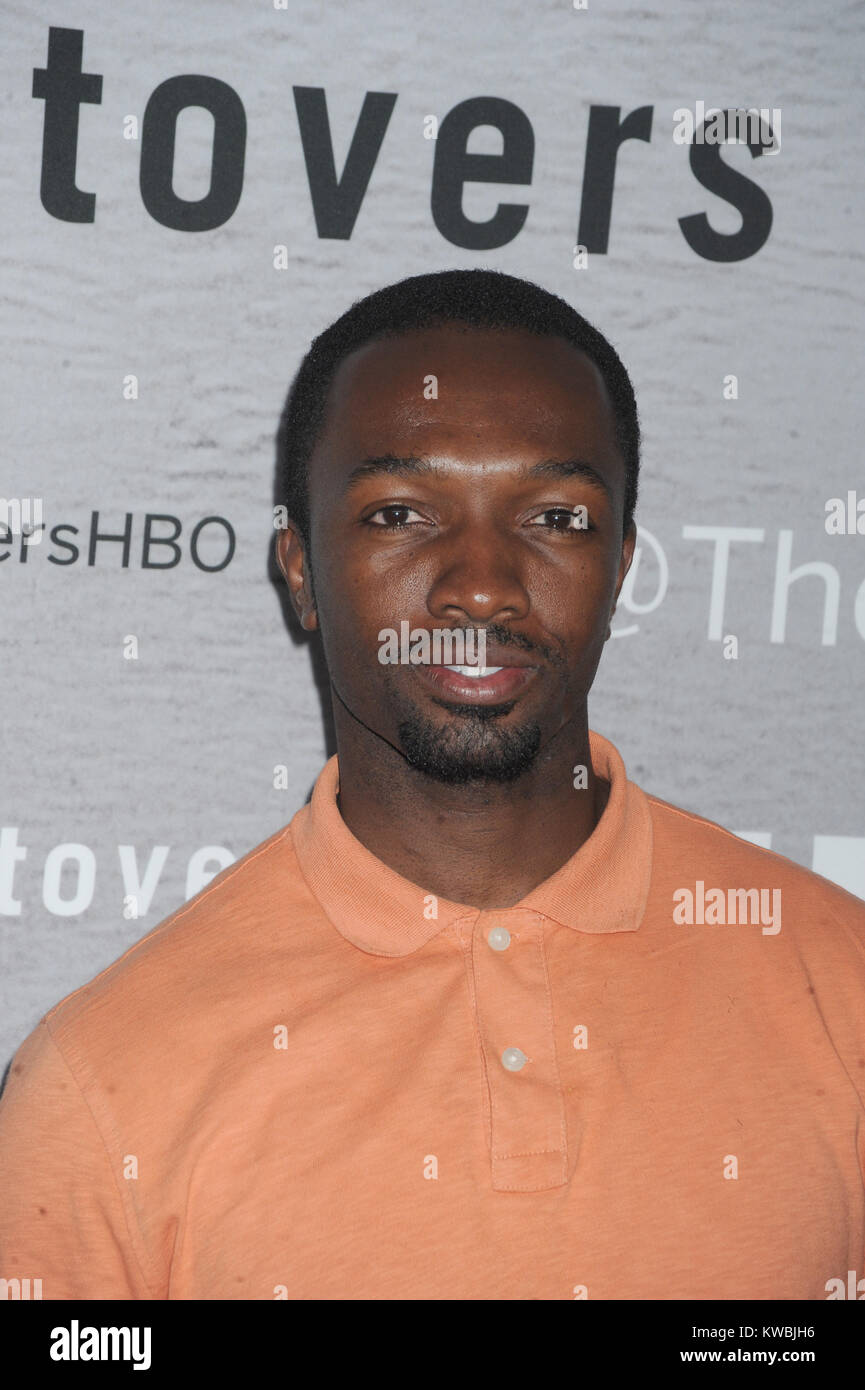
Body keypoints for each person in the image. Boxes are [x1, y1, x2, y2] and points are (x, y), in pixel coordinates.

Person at [1, 268, 863, 1301]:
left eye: (554, 515)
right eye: (402, 511)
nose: (482, 584)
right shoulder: (102, 1086)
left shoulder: (838, 990)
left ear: (622, 564)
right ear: (300, 570)